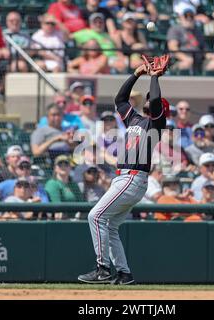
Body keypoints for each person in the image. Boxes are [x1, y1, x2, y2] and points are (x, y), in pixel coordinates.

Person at [78, 58, 168, 285]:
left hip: (132, 178)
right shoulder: (135, 119)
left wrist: (155, 76)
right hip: (126, 179)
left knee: (95, 216)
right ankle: (124, 273)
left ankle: (102, 269)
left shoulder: (156, 124)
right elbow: (120, 99)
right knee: (111, 226)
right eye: (146, 100)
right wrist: (137, 73)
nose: (149, 101)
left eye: (152, 102)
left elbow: (156, 98)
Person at [167, 7, 204, 74]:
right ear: (181, 17)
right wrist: (185, 58)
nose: (189, 18)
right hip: (179, 60)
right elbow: (172, 48)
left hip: (197, 59)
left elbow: (204, 48)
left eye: (191, 16)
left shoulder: (198, 31)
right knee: (186, 64)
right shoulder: (175, 29)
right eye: (186, 16)